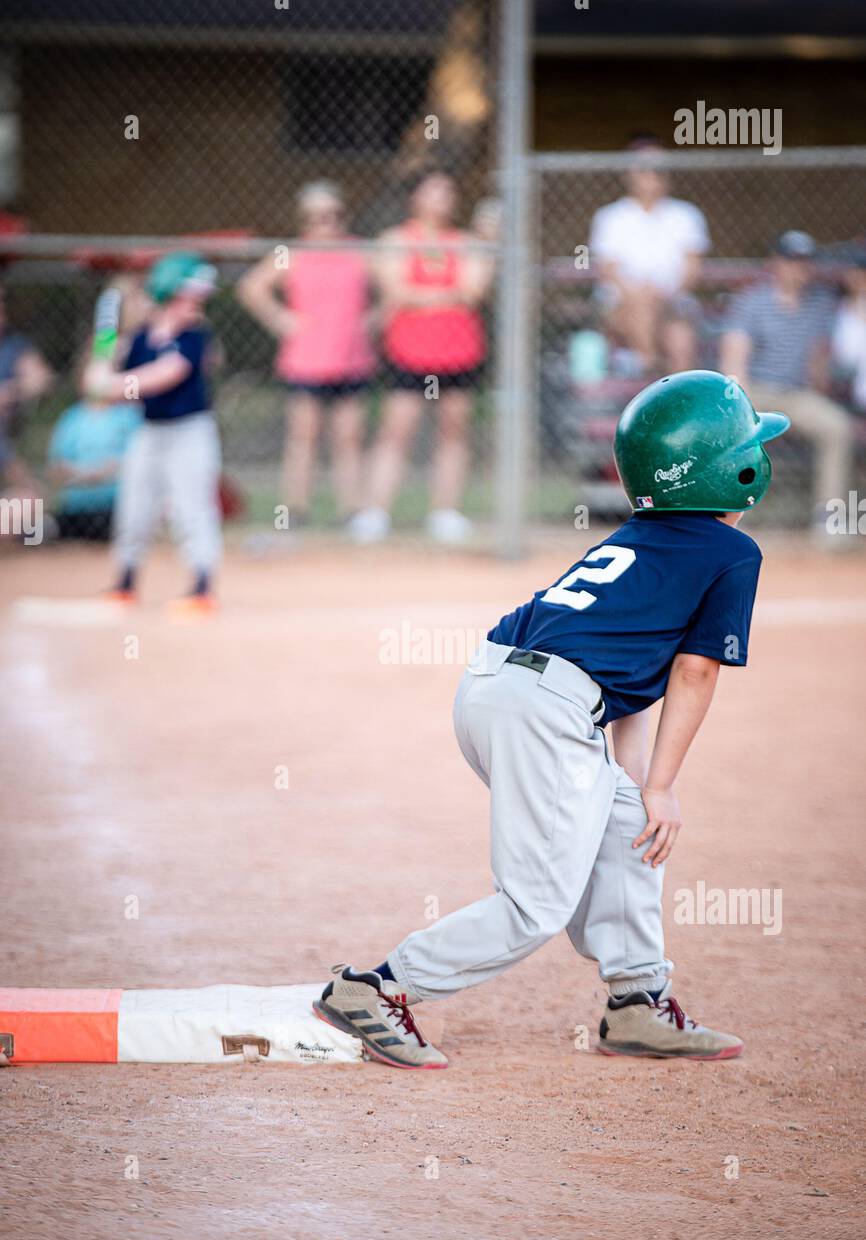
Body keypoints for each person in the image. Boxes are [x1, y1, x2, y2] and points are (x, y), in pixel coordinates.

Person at [313, 370, 790, 1069]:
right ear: (732, 472)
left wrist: (633, 786)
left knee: (626, 821)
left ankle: (638, 1002)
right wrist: (663, 784)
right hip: (546, 711)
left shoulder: (638, 536)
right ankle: (377, 990)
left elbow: (632, 680)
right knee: (537, 903)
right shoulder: (731, 552)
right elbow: (694, 671)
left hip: (496, 688)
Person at [349, 168, 494, 546]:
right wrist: (446, 294)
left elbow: (473, 291)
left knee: (454, 432)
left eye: (448, 190)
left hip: (459, 350)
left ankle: (444, 512)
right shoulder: (395, 239)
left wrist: (423, 295)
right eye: (434, 191)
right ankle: (374, 513)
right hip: (409, 352)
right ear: (415, 198)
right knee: (396, 432)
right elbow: (396, 290)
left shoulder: (465, 242)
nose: (444, 198)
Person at [84, 251, 223, 615]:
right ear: (168, 295)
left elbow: (161, 378)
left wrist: (109, 386)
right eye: (188, 297)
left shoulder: (194, 338)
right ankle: (126, 582)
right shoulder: (139, 339)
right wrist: (103, 356)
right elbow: (101, 375)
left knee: (191, 508)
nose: (196, 304)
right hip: (149, 433)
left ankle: (201, 586)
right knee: (134, 507)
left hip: (190, 432)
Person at [236, 181, 376, 527]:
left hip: (351, 356)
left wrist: (375, 319)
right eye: (316, 218)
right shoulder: (291, 253)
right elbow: (251, 287)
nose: (325, 224)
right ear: (303, 220)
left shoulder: (358, 251)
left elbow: (396, 285)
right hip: (307, 359)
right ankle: (295, 510)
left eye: (333, 216)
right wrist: (280, 319)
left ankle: (351, 510)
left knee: (348, 438)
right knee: (303, 437)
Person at [720, 230, 852, 535]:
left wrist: (820, 389)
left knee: (837, 427)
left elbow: (818, 363)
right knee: (738, 434)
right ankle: (732, 522)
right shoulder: (752, 302)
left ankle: (829, 524)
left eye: (804, 262)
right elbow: (734, 359)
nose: (798, 269)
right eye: (791, 261)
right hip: (757, 392)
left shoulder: (819, 306)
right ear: (775, 263)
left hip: (796, 394)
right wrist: (739, 404)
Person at [590, 134, 709, 374]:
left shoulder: (686, 214)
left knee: (681, 342)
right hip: (622, 302)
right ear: (629, 174)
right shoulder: (610, 216)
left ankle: (653, 371)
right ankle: (655, 371)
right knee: (641, 307)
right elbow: (608, 270)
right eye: (644, 169)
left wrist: (664, 293)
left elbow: (692, 268)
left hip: (673, 301)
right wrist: (638, 294)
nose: (652, 176)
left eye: (659, 169)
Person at [47, 389, 141, 541]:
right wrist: (89, 474)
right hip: (76, 507)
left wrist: (105, 472)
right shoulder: (72, 417)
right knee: (49, 526)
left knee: (125, 525)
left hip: (117, 507)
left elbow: (140, 460)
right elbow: (57, 468)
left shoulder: (128, 414)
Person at [0, 284, 54, 500]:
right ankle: (32, 489)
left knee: (26, 504)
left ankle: (33, 496)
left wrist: (10, 391)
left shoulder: (13, 345)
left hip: (8, 427)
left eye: (3, 303)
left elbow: (42, 380)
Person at [831, 245, 866, 415]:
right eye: (851, 273)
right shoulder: (837, 309)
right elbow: (846, 359)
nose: (856, 278)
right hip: (846, 392)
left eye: (860, 273)